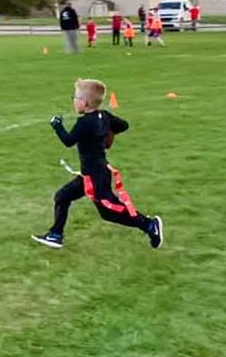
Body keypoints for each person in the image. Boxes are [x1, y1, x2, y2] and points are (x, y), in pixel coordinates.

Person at [31, 78, 164, 250]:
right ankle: (56, 235)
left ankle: (149, 225)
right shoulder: (105, 116)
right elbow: (123, 125)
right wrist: (107, 134)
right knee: (62, 197)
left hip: (95, 177)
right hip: (93, 173)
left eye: (75, 97)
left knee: (109, 211)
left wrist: (57, 126)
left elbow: (68, 141)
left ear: (84, 102)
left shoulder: (85, 122)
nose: (74, 100)